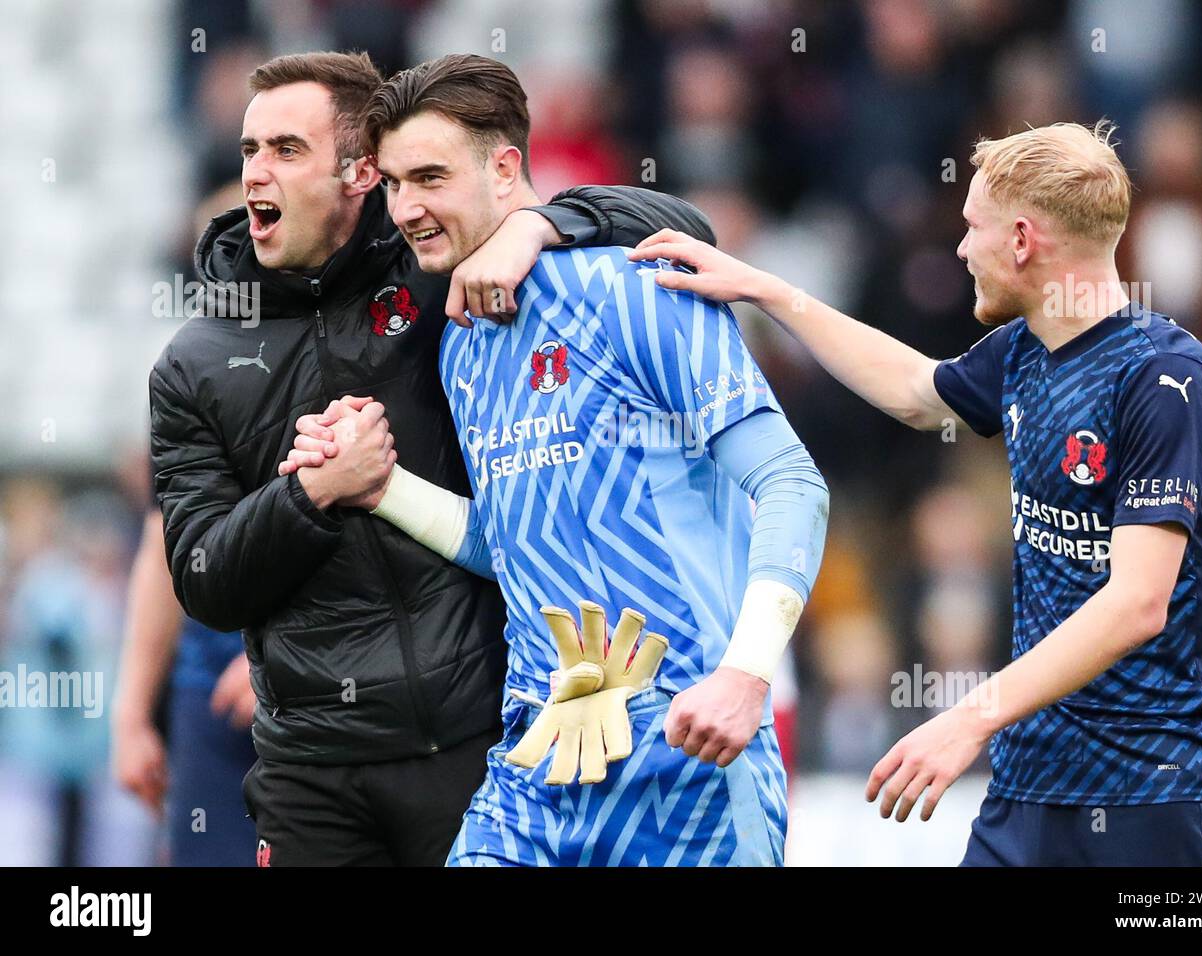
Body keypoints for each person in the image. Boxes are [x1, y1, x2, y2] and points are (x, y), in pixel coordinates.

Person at [150, 50, 716, 866]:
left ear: (359, 174)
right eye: (248, 150)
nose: (255, 175)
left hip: (479, 743)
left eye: (285, 150)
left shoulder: (435, 272)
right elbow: (203, 579)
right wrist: (312, 496)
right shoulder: (193, 361)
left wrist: (536, 224)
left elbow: (682, 228)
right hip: (310, 773)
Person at [626, 122, 1202, 866]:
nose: (959, 250)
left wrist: (967, 719)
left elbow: (1136, 603)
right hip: (1029, 790)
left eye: (972, 228)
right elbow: (917, 391)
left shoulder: (1162, 380)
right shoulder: (1024, 353)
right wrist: (764, 289)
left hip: (1156, 804)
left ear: (1021, 240)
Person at [282, 54, 829, 866]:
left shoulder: (641, 287)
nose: (406, 207)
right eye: (393, 184)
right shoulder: (464, 343)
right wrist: (382, 488)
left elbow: (791, 482)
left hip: (685, 749)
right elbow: (510, 543)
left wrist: (746, 674)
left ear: (506, 168)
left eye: (430, 177)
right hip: (537, 765)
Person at [112, 511, 257, 866]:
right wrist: (130, 717)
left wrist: (286, 658)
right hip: (211, 696)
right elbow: (162, 530)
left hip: (329, 692)